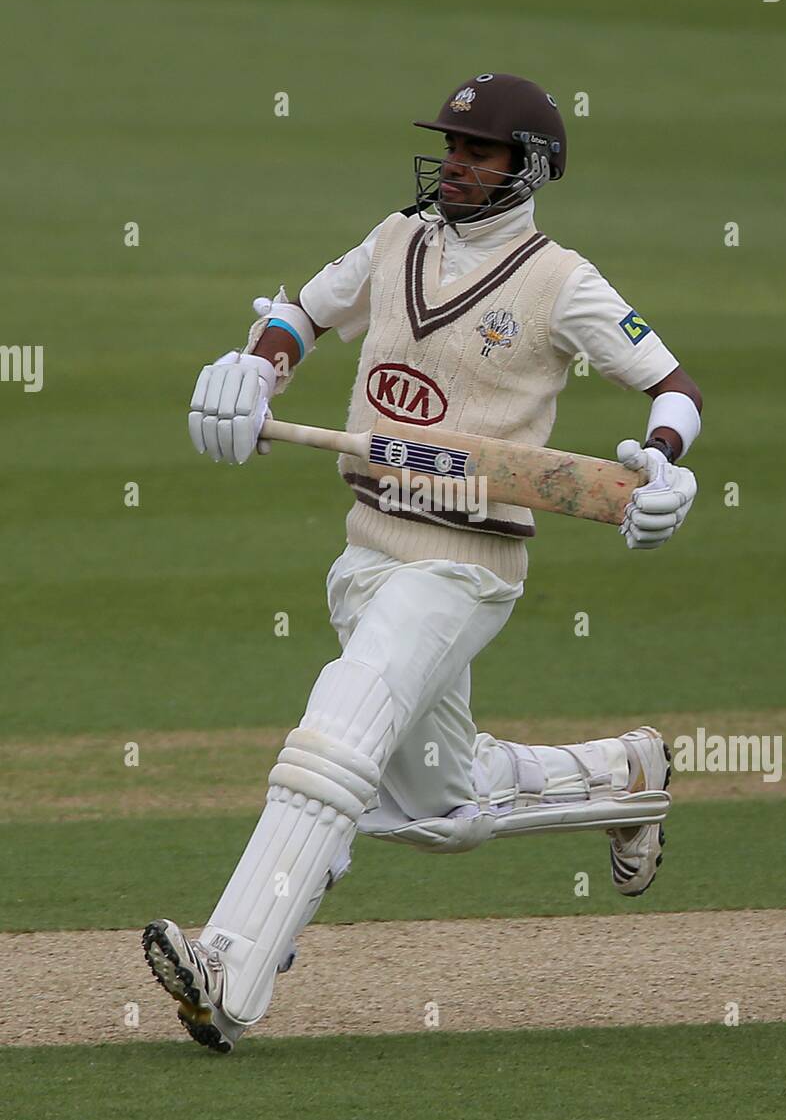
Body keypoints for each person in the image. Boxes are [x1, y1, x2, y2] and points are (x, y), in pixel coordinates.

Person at [143, 73, 702, 1053]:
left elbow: (670, 382)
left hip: (464, 565)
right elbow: (302, 314)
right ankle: (626, 774)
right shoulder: (394, 240)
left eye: (478, 150)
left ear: (526, 168)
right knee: (441, 802)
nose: (454, 161)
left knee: (339, 726)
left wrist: (659, 461)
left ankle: (231, 965)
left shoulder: (558, 283)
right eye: (450, 144)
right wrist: (254, 368)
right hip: (366, 552)